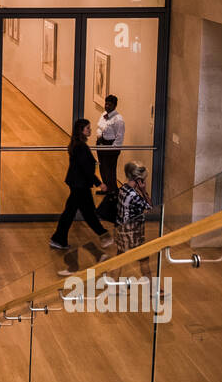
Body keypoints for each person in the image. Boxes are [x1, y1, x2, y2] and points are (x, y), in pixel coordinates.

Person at [51, 119, 112, 275]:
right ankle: (104, 236)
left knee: (70, 211)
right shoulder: (81, 148)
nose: (90, 130)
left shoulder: (76, 146)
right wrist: (99, 183)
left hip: (77, 183)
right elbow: (86, 169)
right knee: (88, 213)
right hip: (80, 185)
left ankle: (59, 238)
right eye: (87, 128)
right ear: (81, 130)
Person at [112, 160, 152, 280]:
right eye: (143, 179)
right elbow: (149, 207)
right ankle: (152, 289)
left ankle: (114, 286)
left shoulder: (123, 188)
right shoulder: (134, 195)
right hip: (132, 232)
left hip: (120, 228)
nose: (145, 181)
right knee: (144, 259)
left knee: (119, 257)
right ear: (139, 180)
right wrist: (143, 191)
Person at [94, 95, 124, 195]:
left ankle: (113, 190)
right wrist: (98, 137)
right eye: (106, 103)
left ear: (115, 106)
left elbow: (119, 136)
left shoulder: (118, 119)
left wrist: (113, 149)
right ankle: (106, 188)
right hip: (101, 144)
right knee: (102, 167)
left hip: (110, 146)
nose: (107, 106)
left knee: (110, 169)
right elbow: (99, 126)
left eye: (110, 104)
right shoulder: (104, 114)